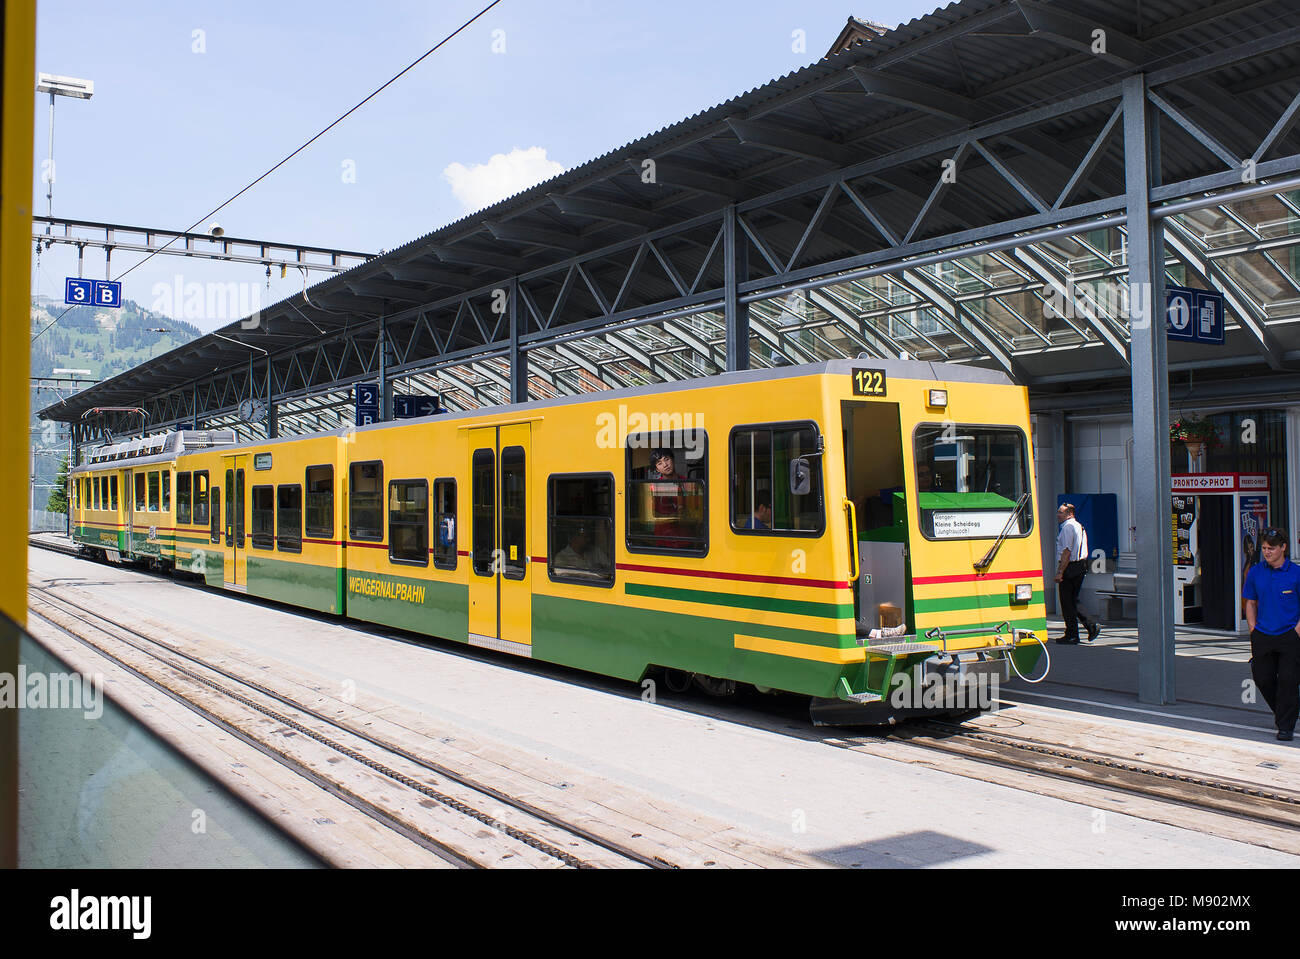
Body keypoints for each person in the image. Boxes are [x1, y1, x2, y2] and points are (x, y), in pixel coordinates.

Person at [1242, 526, 1300, 741]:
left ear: (1283, 548)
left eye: (1272, 548)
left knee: (1288, 680)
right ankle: (1288, 711)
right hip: (1262, 635)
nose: (1267, 552)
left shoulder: (1296, 573)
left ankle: (1285, 726)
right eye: (1265, 548)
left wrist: (1296, 632)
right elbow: (1250, 602)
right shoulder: (1256, 572)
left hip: (1289, 636)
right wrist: (1253, 630)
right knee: (1262, 678)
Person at [1054, 503, 1100, 644]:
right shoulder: (1079, 526)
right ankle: (1091, 625)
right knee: (1073, 599)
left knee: (1067, 602)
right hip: (1080, 565)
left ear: (1069, 513)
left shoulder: (1067, 528)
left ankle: (1072, 634)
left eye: (1060, 512)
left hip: (1071, 567)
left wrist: (1060, 572)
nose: (1058, 515)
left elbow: (1066, 552)